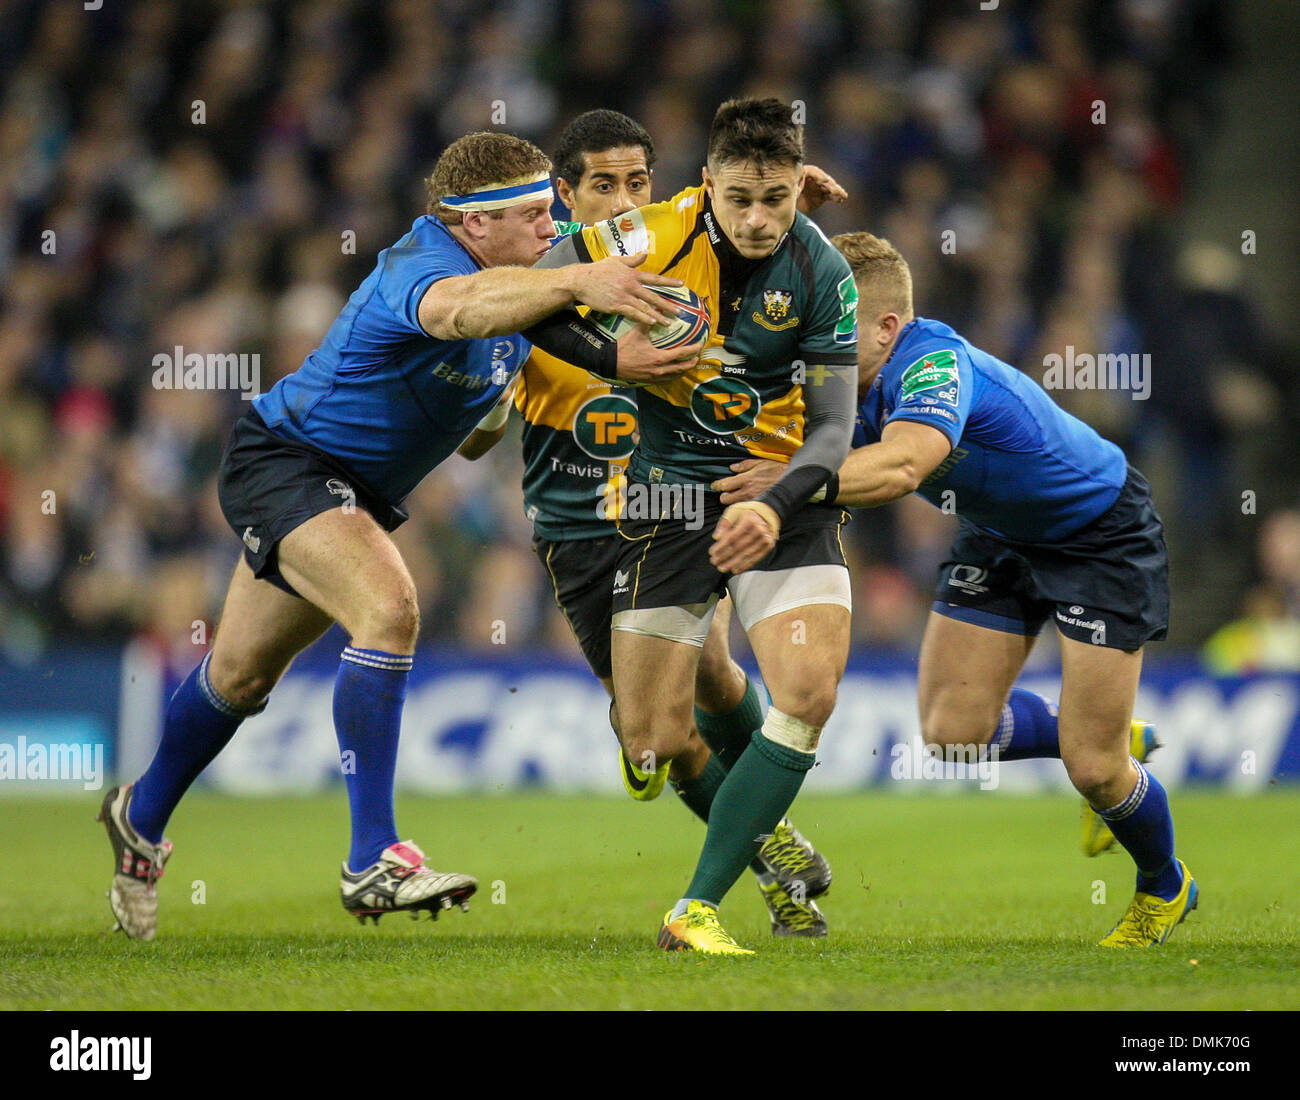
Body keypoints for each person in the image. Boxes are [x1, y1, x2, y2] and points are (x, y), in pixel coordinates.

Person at [97, 130, 700, 940]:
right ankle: (372, 857)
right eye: (531, 214)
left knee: (240, 677)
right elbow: (458, 314)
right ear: (471, 225)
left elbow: (526, 346)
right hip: (288, 463)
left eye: (551, 209)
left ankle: (140, 815)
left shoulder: (517, 279)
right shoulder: (420, 269)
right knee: (390, 609)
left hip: (357, 491)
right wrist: (584, 280)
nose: (552, 226)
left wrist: (748, 193)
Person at [715, 231, 1197, 947]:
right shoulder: (844, 378)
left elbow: (906, 465)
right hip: (999, 536)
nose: (817, 345)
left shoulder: (935, 362)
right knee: (952, 733)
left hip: (1099, 534)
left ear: (886, 327)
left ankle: (1165, 885)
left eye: (833, 328)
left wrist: (790, 488)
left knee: (1095, 770)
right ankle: (1098, 729)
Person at [459, 109, 848, 938]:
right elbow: (472, 418)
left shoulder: (666, 242)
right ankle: (769, 835)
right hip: (577, 516)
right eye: (603, 185)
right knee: (655, 736)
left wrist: (776, 208)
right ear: (565, 196)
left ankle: (761, 864)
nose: (622, 199)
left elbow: (732, 217)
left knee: (709, 686)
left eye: (637, 182)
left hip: (667, 502)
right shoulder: (536, 279)